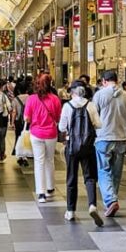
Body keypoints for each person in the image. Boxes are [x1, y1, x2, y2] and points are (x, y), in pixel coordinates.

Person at [59, 81, 103, 226]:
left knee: (71, 178)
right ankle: (92, 205)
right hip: (88, 146)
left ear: (73, 92)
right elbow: (99, 124)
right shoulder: (90, 105)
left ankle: (71, 211)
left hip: (72, 147)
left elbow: (62, 127)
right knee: (89, 177)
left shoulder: (67, 106)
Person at [92, 70, 126, 217]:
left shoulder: (99, 95)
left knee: (104, 171)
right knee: (116, 173)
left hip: (103, 138)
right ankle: (112, 200)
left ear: (104, 81)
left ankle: (110, 200)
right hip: (121, 138)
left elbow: (93, 117)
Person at [24, 73, 62, 203]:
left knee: (39, 162)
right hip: (51, 133)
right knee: (49, 160)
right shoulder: (55, 99)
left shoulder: (31, 99)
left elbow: (26, 118)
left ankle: (41, 192)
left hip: (36, 134)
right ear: (50, 84)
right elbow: (58, 118)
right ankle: (50, 187)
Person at [11, 80, 31, 167]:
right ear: (26, 89)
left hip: (19, 122)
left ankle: (20, 156)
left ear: (18, 90)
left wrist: (12, 122)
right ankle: (26, 156)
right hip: (29, 121)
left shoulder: (15, 99)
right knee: (27, 138)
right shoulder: (30, 97)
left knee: (18, 137)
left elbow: (14, 112)